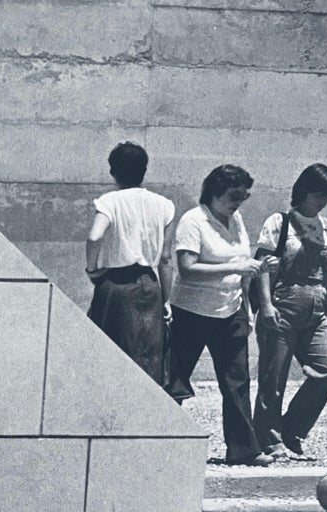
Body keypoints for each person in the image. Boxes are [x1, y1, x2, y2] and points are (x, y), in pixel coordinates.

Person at [168, 165, 275, 467]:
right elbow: (187, 269)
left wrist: (248, 306)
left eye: (243, 197)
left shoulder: (235, 220)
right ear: (214, 193)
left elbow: (243, 262)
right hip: (192, 313)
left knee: (237, 382)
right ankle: (159, 439)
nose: (238, 203)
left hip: (231, 310)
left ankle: (243, 450)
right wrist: (235, 268)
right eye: (233, 196)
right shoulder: (193, 221)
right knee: (175, 379)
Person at [252, 163, 327, 459]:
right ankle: (269, 438)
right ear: (304, 192)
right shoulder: (280, 222)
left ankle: (292, 429)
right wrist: (266, 305)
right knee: (273, 377)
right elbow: (263, 266)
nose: (323, 201)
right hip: (283, 305)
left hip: (316, 309)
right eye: (319, 195)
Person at [85, 142, 175, 386]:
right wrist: (166, 299)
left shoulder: (109, 201)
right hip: (150, 284)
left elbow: (95, 237)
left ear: (113, 171)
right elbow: (166, 258)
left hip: (116, 284)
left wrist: (92, 269)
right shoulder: (164, 205)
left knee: (111, 349)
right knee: (148, 352)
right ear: (144, 170)